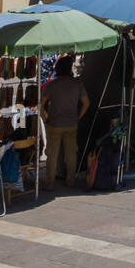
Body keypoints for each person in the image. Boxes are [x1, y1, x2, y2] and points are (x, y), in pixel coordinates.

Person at [40, 56, 88, 191]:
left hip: (54, 123)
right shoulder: (77, 84)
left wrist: (44, 117)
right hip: (71, 123)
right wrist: (78, 117)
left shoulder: (52, 84)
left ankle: (50, 183)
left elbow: (41, 104)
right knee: (71, 153)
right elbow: (86, 103)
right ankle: (70, 180)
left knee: (52, 154)